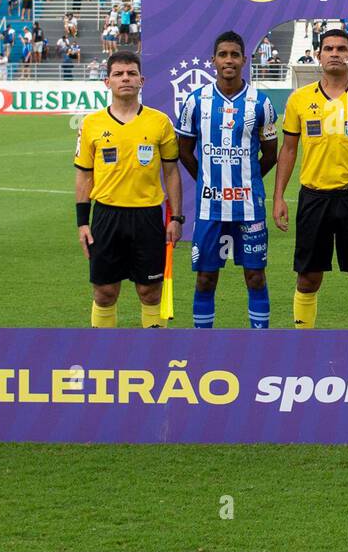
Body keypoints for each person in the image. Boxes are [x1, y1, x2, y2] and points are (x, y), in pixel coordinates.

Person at [273, 28, 348, 330]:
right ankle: (304, 341)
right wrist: (279, 196)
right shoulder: (299, 99)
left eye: (341, 48)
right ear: (318, 55)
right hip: (314, 198)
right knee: (308, 277)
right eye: (328, 48)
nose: (334, 53)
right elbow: (287, 150)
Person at [74, 51, 184, 329]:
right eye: (119, 74)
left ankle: (156, 355)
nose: (125, 78)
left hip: (147, 217)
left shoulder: (160, 122)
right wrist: (82, 223)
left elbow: (171, 172)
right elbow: (84, 176)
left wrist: (176, 217)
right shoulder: (91, 124)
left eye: (131, 73)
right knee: (105, 292)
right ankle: (103, 355)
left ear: (141, 80)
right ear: (107, 82)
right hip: (106, 217)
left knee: (150, 292)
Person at [176, 31, 278, 330]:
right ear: (214, 61)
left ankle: (260, 342)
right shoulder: (196, 101)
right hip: (210, 208)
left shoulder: (261, 103)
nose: (229, 60)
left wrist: (249, 179)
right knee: (206, 278)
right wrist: (207, 181)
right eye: (223, 55)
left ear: (244, 60)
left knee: (255, 276)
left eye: (235, 54)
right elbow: (184, 151)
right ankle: (202, 343)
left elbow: (271, 154)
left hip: (249, 207)